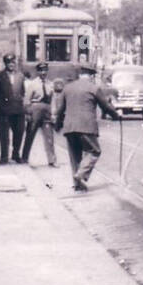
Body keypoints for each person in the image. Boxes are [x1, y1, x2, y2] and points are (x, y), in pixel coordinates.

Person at [55, 62, 117, 191]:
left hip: (70, 127)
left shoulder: (68, 88)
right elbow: (106, 106)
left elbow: (60, 110)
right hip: (87, 126)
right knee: (94, 151)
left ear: (80, 73)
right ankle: (80, 174)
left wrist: (57, 125)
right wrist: (117, 116)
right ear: (91, 75)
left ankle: (78, 185)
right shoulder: (94, 88)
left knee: (74, 156)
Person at [0, 54, 26, 164]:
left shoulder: (20, 76)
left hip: (18, 110)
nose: (11, 65)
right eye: (9, 62)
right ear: (5, 63)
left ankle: (15, 154)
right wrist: (0, 105)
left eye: (13, 62)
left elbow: (22, 92)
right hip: (4, 110)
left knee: (19, 133)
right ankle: (4, 156)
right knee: (4, 134)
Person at [22, 62, 57, 166]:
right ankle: (24, 158)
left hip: (47, 110)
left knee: (49, 136)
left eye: (45, 70)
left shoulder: (50, 84)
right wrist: (27, 113)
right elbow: (27, 100)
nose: (43, 72)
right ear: (37, 71)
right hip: (35, 109)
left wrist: (54, 113)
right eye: (41, 70)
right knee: (30, 134)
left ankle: (52, 160)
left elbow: (53, 100)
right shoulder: (32, 84)